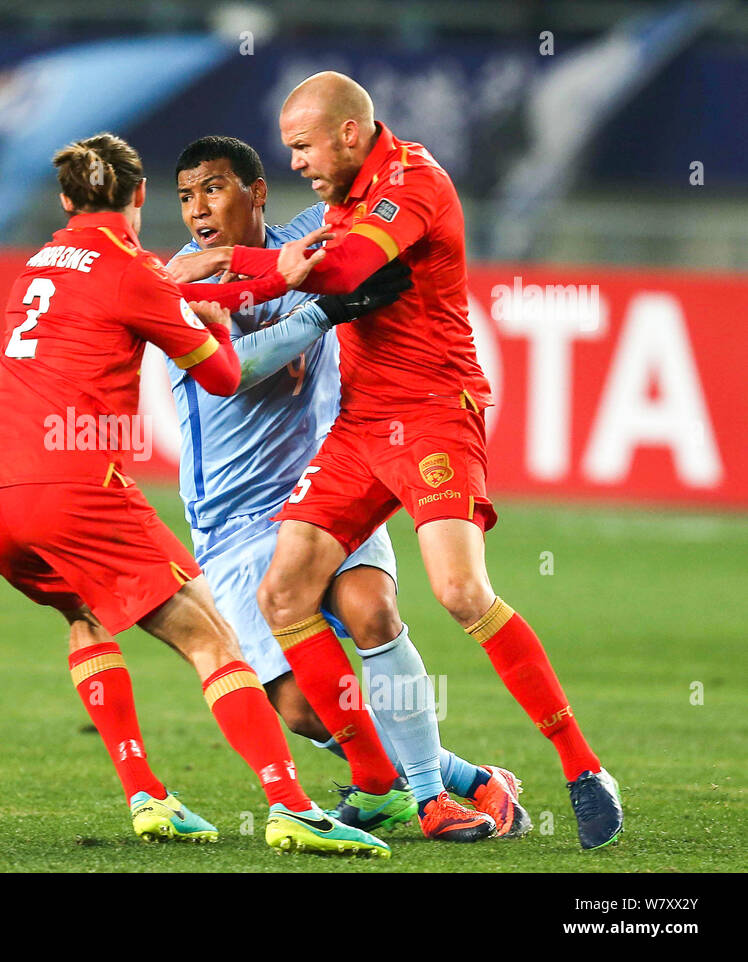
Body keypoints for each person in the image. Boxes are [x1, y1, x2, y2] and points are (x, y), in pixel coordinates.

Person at [166, 75, 622, 850]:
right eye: (185, 197)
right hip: (350, 435)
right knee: (287, 599)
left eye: (304, 148)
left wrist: (235, 272)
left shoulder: (409, 184)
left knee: (458, 590)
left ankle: (581, 769)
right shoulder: (328, 208)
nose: (301, 163)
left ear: (346, 136)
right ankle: (408, 787)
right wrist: (216, 275)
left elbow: (343, 275)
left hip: (435, 413)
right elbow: (247, 344)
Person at [0, 131, 390, 856]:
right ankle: (290, 805)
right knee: (214, 640)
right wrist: (228, 322)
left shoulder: (32, 269)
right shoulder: (137, 271)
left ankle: (147, 794)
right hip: (77, 489)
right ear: (140, 197)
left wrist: (220, 289)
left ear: (66, 199)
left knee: (85, 619)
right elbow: (225, 376)